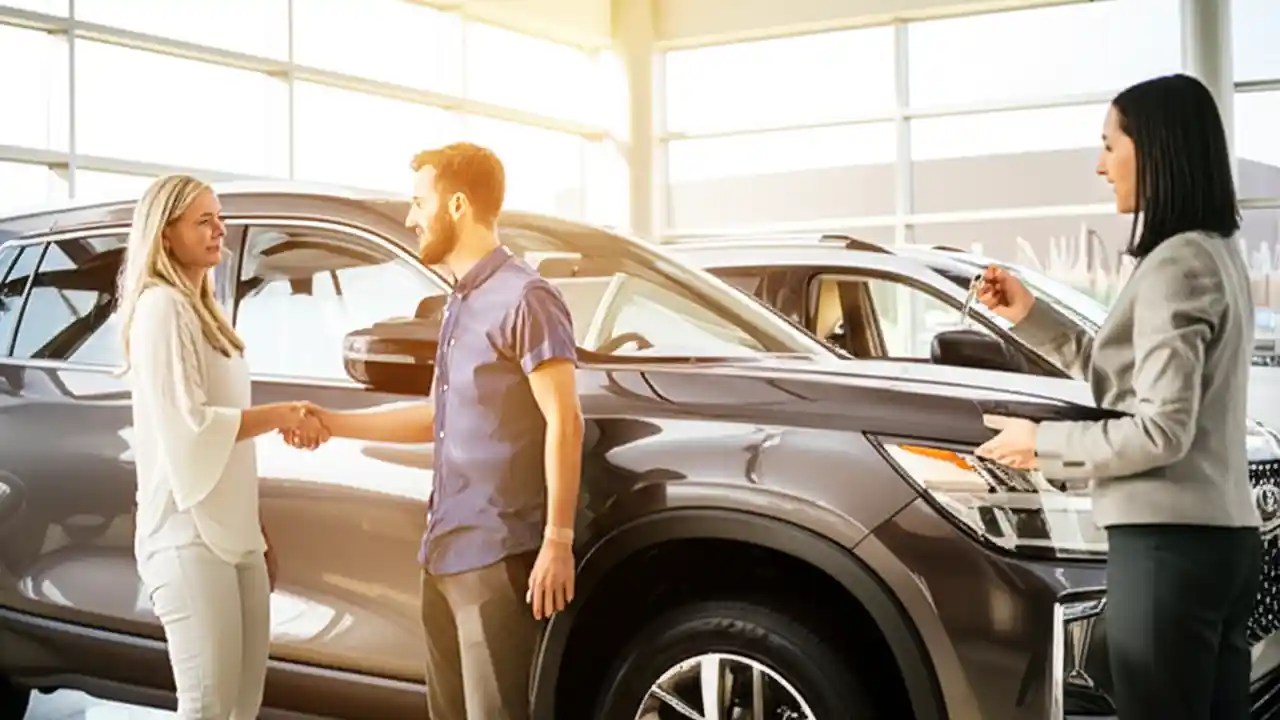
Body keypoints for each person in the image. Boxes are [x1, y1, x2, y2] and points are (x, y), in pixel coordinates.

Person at [975, 73, 1261, 720]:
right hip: (1223, 544)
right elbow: (1127, 370)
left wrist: (1040, 444)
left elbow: (1161, 430)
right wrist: (1031, 314)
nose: (1100, 165)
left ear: (1153, 151)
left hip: (1169, 548)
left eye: (1110, 145)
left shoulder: (1173, 266)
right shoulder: (1214, 255)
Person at [288, 142, 583, 720]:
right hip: (442, 552)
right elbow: (437, 418)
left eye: (418, 202)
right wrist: (334, 425)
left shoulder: (527, 297)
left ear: (456, 205)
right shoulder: (458, 304)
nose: (410, 217)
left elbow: (565, 421)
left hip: (499, 558)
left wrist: (558, 540)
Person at [119, 174, 327, 719]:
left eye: (220, 218)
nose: (220, 231)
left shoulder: (204, 310)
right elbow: (191, 426)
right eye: (203, 221)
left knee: (242, 706)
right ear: (165, 234)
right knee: (209, 706)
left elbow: (224, 439)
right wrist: (281, 415)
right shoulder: (160, 309)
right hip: (185, 534)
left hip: (232, 533)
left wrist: (254, 529)